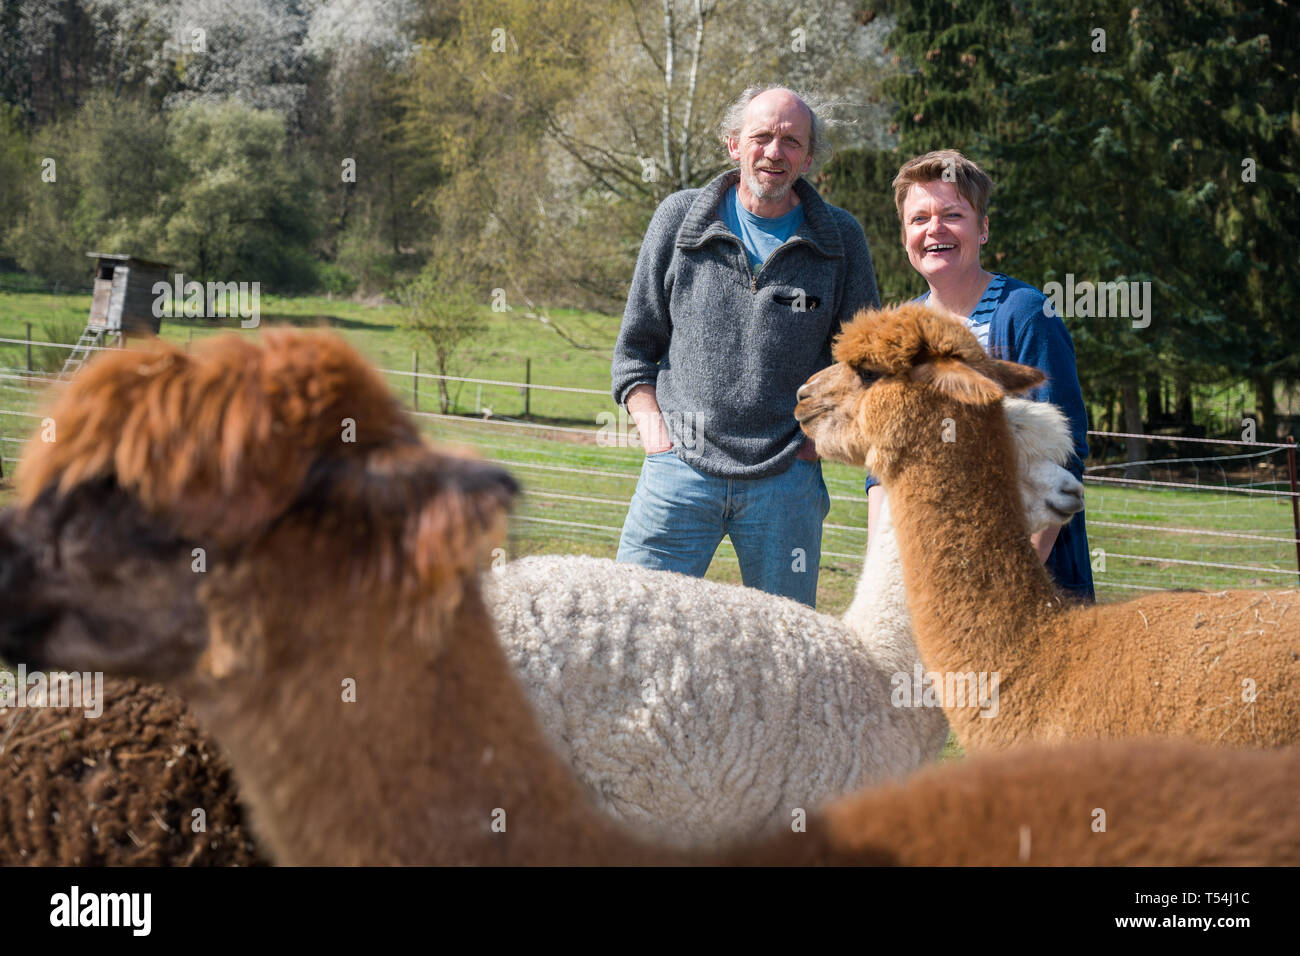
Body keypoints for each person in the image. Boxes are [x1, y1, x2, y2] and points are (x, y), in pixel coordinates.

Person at [610, 86, 880, 607]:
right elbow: (634, 352)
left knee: (787, 644)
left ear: (807, 155)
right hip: (678, 473)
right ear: (734, 144)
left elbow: (862, 366)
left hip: (786, 483)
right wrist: (657, 439)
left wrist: (810, 446)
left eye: (791, 141)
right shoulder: (678, 219)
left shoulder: (841, 238)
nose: (774, 152)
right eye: (761, 137)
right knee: (634, 620)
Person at [869, 148, 1094, 600]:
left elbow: (1061, 456)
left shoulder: (1026, 314)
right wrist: (885, 584)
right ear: (904, 236)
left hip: (1023, 585)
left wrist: (1013, 583)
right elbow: (883, 470)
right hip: (926, 583)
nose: (934, 229)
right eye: (919, 219)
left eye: (953, 214)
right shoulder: (901, 331)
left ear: (983, 229)